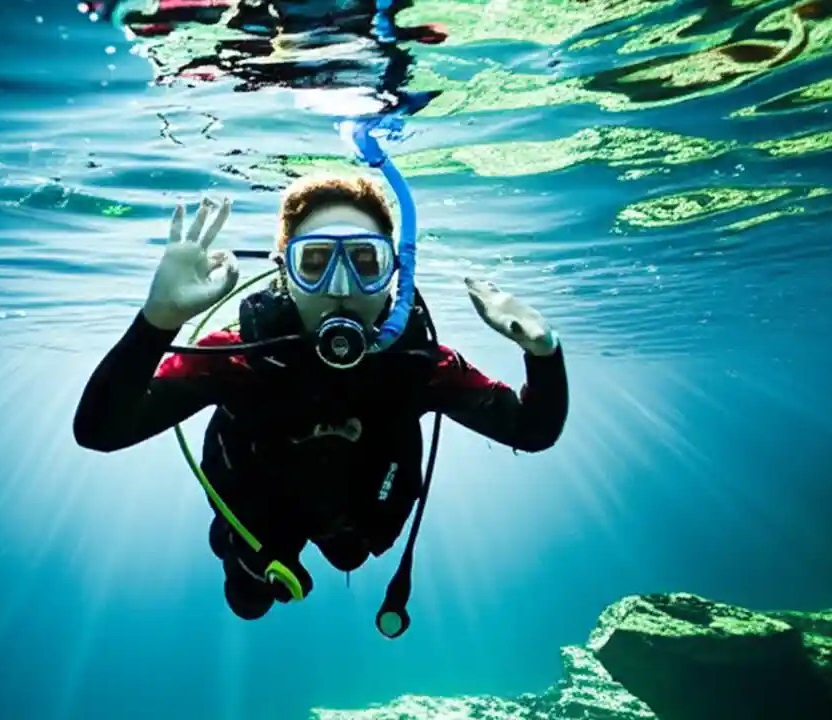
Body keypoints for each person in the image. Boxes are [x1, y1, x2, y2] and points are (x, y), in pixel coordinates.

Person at [74, 174, 568, 636]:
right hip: (260, 519)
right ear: (283, 272)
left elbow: (531, 430)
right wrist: (157, 321)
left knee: (352, 554)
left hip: (361, 511)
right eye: (314, 263)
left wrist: (543, 350)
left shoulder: (418, 365)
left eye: (364, 261)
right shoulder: (236, 358)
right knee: (249, 601)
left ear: (395, 272)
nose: (340, 286)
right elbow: (101, 430)